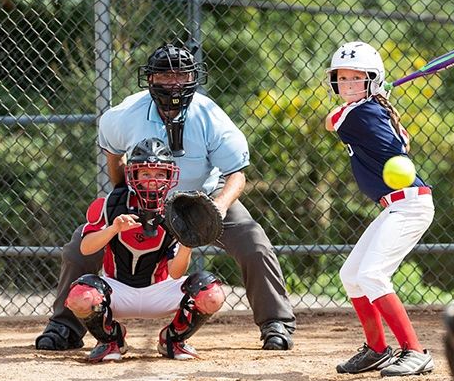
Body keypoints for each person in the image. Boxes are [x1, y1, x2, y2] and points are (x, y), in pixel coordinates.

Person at [36, 43, 296, 352]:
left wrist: (218, 208)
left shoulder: (210, 116)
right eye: (164, 76)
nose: (173, 84)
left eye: (181, 76)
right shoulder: (125, 115)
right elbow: (114, 157)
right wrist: (122, 199)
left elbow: (236, 174)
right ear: (149, 80)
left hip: (199, 199)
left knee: (254, 244)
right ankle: (64, 326)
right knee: (79, 249)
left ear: (193, 78)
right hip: (142, 194)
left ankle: (275, 322)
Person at [324, 41, 436, 377]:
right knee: (351, 276)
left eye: (357, 79)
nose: (347, 86)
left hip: (410, 206)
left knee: (372, 274)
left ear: (373, 81)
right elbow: (402, 141)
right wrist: (371, 96)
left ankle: (415, 352)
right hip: (396, 207)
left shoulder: (358, 114)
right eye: (342, 79)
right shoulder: (370, 111)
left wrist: (368, 99)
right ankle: (376, 349)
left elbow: (330, 121)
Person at [64, 137, 226, 361]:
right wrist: (113, 229)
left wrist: (187, 247)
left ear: (170, 176)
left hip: (158, 291)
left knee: (211, 294)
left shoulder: (175, 211)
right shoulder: (111, 204)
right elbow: (85, 248)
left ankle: (173, 339)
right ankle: (111, 339)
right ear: (133, 176)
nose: (153, 180)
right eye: (146, 174)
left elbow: (176, 273)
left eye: (160, 174)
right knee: (81, 295)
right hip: (117, 289)